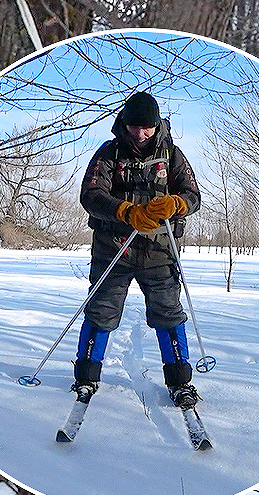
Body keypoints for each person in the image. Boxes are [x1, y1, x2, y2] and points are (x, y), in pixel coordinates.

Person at [73, 91, 204, 409]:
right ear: (124, 123)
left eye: (147, 127)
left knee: (168, 313)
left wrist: (177, 203)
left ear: (156, 125)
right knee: (100, 310)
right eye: (134, 127)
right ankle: (86, 377)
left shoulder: (172, 155)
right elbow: (91, 195)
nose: (141, 134)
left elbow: (193, 195)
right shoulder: (109, 153)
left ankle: (180, 382)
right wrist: (125, 211)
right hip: (113, 249)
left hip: (159, 251)